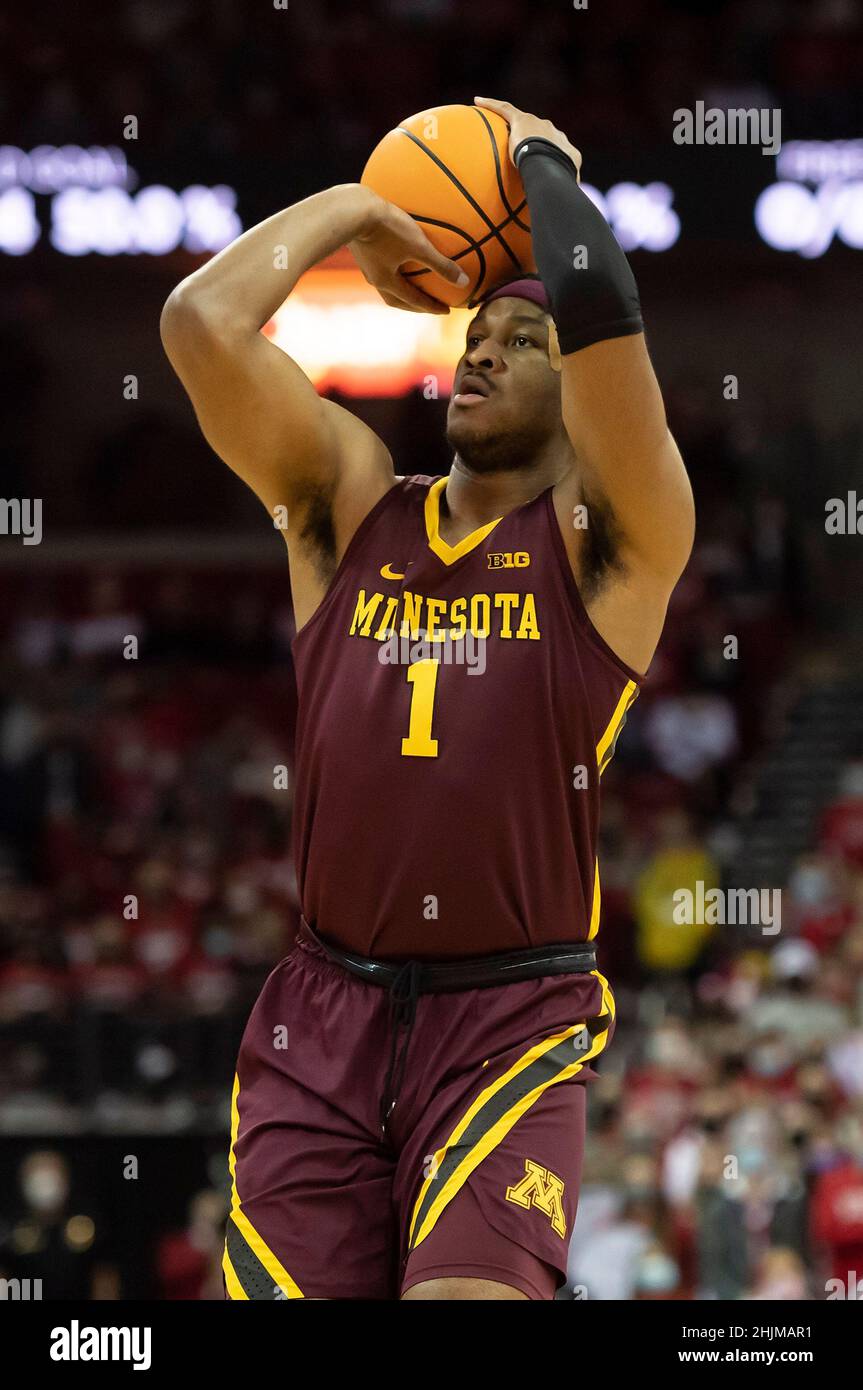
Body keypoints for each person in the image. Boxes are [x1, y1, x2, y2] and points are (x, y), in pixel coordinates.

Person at [161, 96, 694, 1301]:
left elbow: (603, 306)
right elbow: (199, 324)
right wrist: (358, 208)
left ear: (580, 399)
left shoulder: (610, 537)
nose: (484, 348)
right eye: (479, 330)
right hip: (320, 1015)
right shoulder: (349, 499)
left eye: (523, 338)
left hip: (507, 1018)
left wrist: (537, 155)